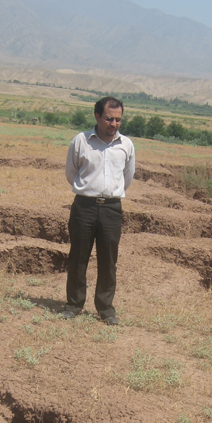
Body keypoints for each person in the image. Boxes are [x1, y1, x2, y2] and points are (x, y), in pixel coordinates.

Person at [62, 96, 135, 326]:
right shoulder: (81, 141)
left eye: (118, 120)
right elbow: (71, 173)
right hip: (84, 207)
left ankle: (106, 309)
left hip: (112, 209)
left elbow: (127, 178)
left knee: (108, 260)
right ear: (97, 117)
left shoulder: (127, 145)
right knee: (78, 257)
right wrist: (89, 190)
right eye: (109, 119)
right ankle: (74, 305)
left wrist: (108, 193)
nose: (113, 124)